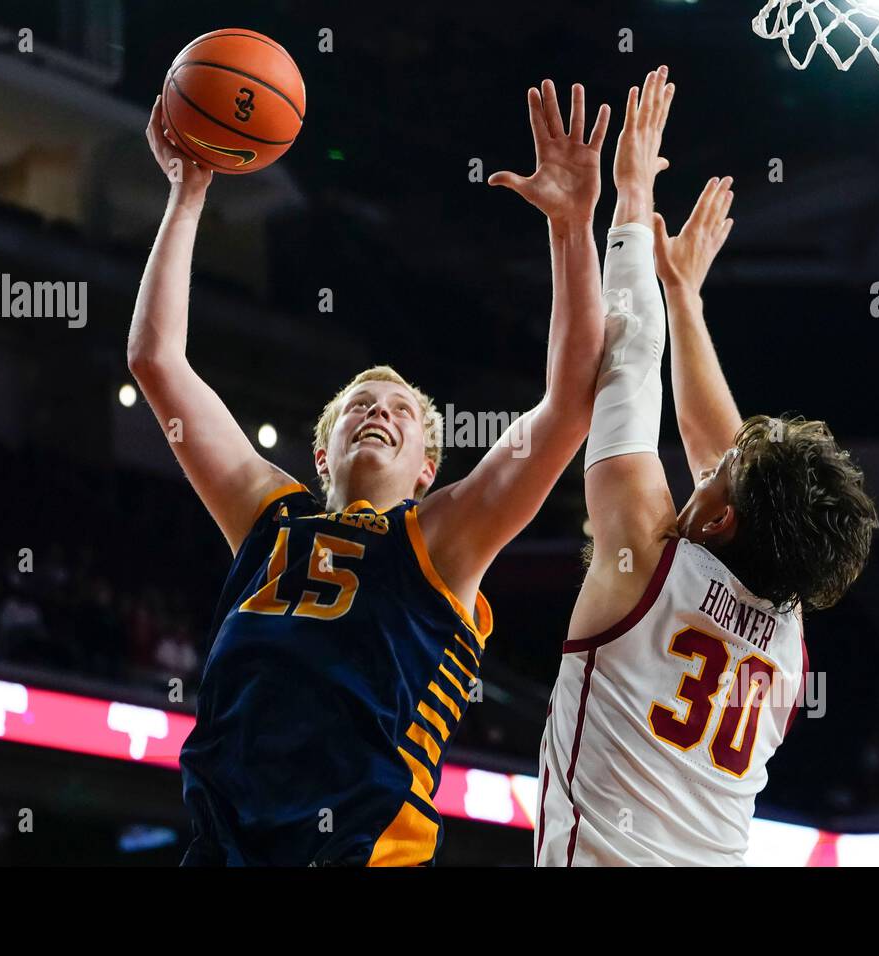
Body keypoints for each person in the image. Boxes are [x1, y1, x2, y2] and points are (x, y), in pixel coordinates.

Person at [128, 80, 610, 865]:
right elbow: (155, 361)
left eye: (402, 411)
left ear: (427, 468)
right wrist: (186, 196)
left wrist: (570, 225)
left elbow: (568, 407)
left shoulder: (442, 539)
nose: (377, 412)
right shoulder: (270, 517)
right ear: (322, 453)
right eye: (358, 405)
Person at [535, 67, 878, 866]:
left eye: (725, 472)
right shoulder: (785, 633)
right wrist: (683, 294)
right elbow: (716, 449)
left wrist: (627, 203)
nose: (712, 462)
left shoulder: (644, 560)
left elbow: (628, 360)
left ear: (720, 515)